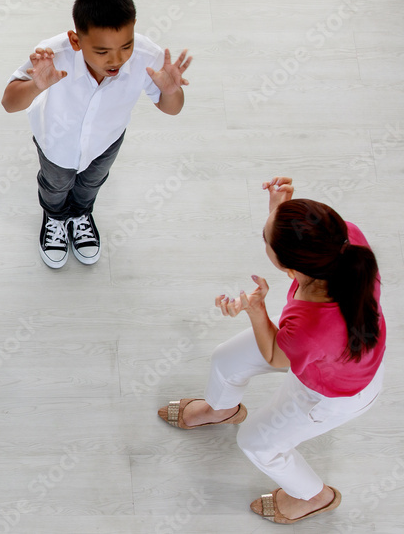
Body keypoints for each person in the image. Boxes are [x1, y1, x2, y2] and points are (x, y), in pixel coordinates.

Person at [157, 177, 386, 525]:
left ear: (291, 269)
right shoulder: (345, 241)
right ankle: (221, 409)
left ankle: (314, 497)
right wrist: (281, 210)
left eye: (266, 238)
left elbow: (276, 356)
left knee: (256, 443)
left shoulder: (309, 328)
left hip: (331, 391)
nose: (264, 236)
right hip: (329, 347)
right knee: (226, 359)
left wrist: (256, 311)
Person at [2, 0, 192, 268]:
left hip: (106, 142)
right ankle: (55, 217)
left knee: (92, 183)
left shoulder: (147, 57)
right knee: (55, 186)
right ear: (75, 41)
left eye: (126, 46)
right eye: (102, 51)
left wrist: (170, 91)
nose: (117, 59)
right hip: (56, 142)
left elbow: (172, 108)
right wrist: (36, 86)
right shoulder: (52, 53)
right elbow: (9, 103)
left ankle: (81, 214)